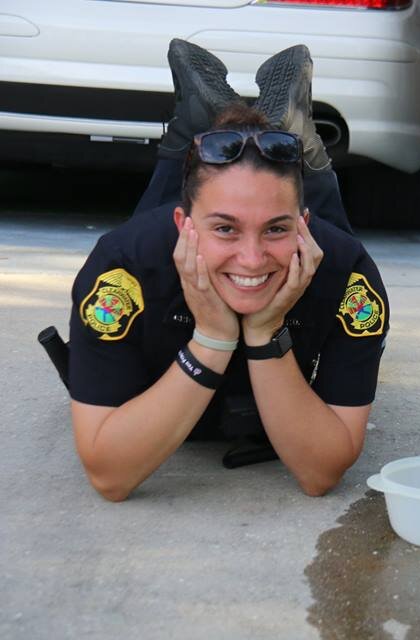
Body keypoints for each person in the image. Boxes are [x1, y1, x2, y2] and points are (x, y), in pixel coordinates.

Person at [67, 40, 388, 501]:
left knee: (297, 211)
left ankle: (294, 149)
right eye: (226, 229)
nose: (252, 259)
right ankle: (191, 133)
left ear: (302, 225)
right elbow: (110, 476)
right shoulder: (125, 266)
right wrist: (213, 337)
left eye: (277, 229)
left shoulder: (348, 274)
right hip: (166, 238)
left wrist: (266, 330)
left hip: (308, 240)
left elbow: (320, 473)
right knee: (191, 197)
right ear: (183, 227)